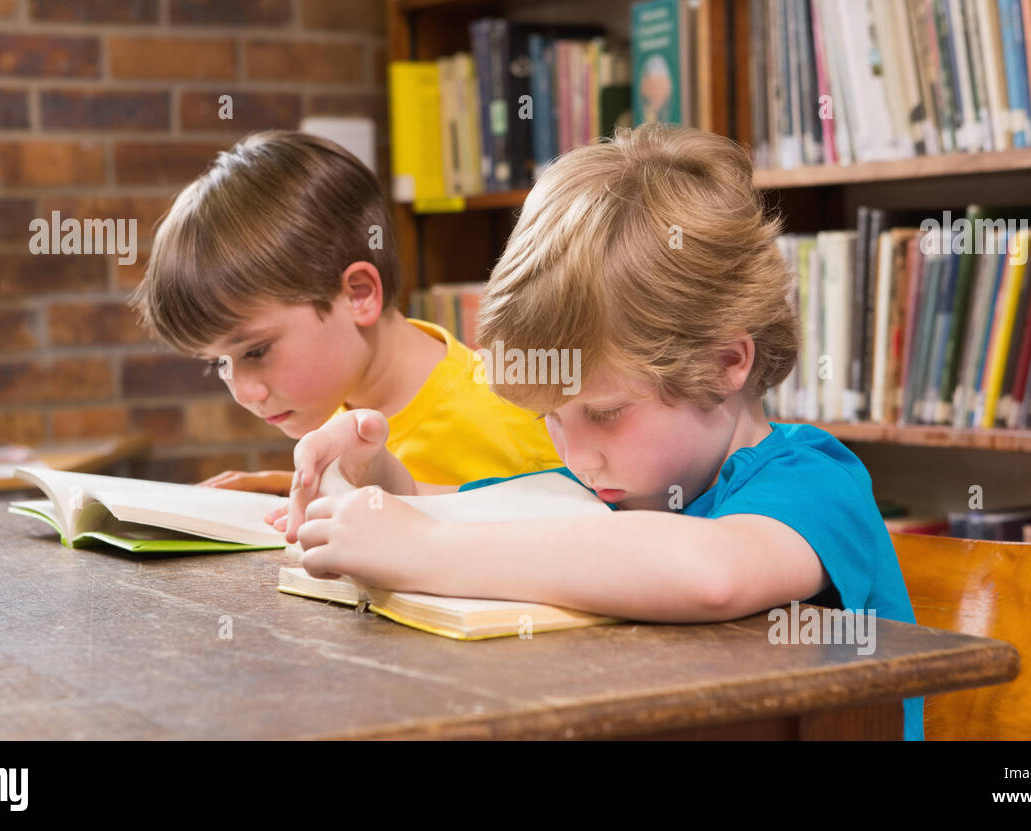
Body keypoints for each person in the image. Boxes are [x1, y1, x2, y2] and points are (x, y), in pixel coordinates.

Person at [284, 124, 924, 741]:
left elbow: (711, 572)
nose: (575, 454)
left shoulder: (813, 479)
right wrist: (376, 475)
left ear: (727, 361)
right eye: (550, 420)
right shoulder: (613, 486)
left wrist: (425, 553)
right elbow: (453, 511)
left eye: (605, 413)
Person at [129, 130, 560, 529]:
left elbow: (566, 533)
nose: (243, 392)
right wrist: (290, 487)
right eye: (218, 363)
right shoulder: (334, 403)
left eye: (256, 352)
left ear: (358, 295)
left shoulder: (514, 415)